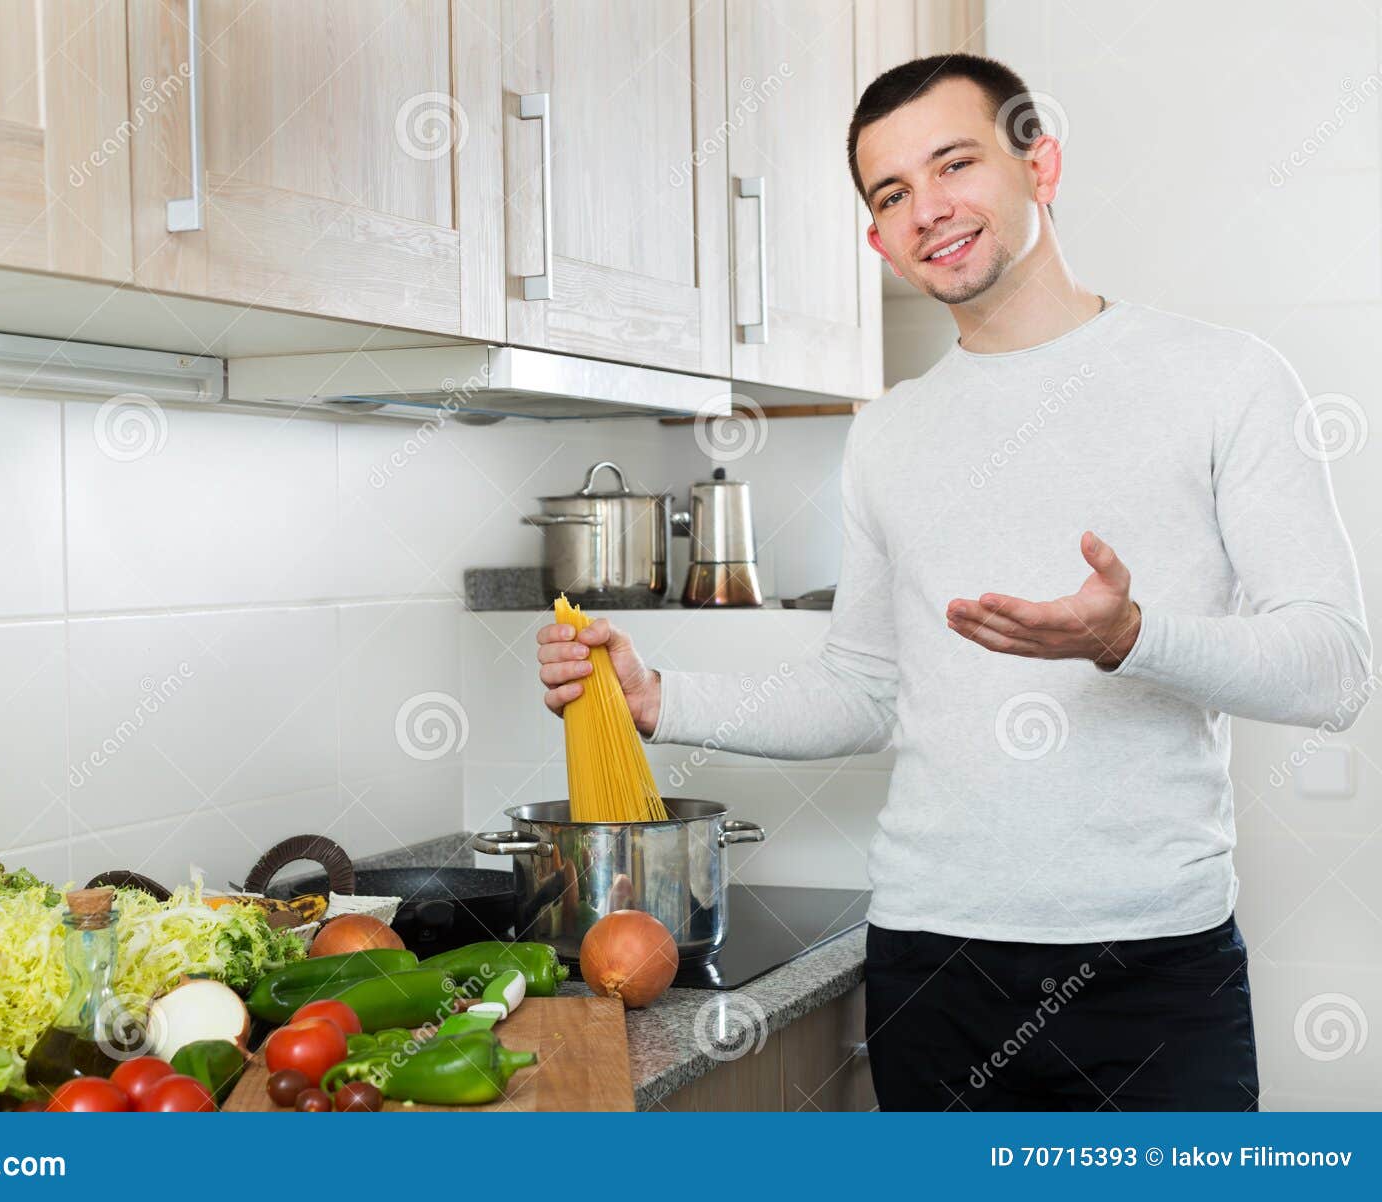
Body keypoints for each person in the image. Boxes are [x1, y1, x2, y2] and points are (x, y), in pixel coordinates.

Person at [533, 54, 1372, 1111]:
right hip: (930, 966)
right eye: (890, 194)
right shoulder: (888, 433)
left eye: (953, 163)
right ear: (874, 238)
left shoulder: (1224, 378)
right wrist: (662, 695)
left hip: (1151, 971)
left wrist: (1130, 636)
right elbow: (865, 687)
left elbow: (1333, 667)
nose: (926, 209)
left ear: (1041, 161)